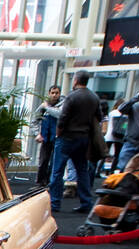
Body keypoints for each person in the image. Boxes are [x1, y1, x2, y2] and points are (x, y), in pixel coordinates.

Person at [49, 71, 100, 214]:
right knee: (82, 171)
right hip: (83, 138)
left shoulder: (72, 96)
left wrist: (59, 133)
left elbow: (63, 117)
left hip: (67, 137)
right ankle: (86, 202)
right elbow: (99, 117)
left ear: (76, 80)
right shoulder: (94, 97)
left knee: (57, 171)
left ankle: (55, 203)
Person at [34, 85, 62, 185]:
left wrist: (47, 107)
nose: (54, 95)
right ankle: (40, 181)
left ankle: (51, 182)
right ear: (49, 93)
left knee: (55, 161)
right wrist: (37, 133)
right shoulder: (42, 106)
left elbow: (59, 114)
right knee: (43, 161)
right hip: (45, 137)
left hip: (58, 138)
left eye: (57, 93)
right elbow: (35, 120)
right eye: (52, 93)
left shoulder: (62, 105)